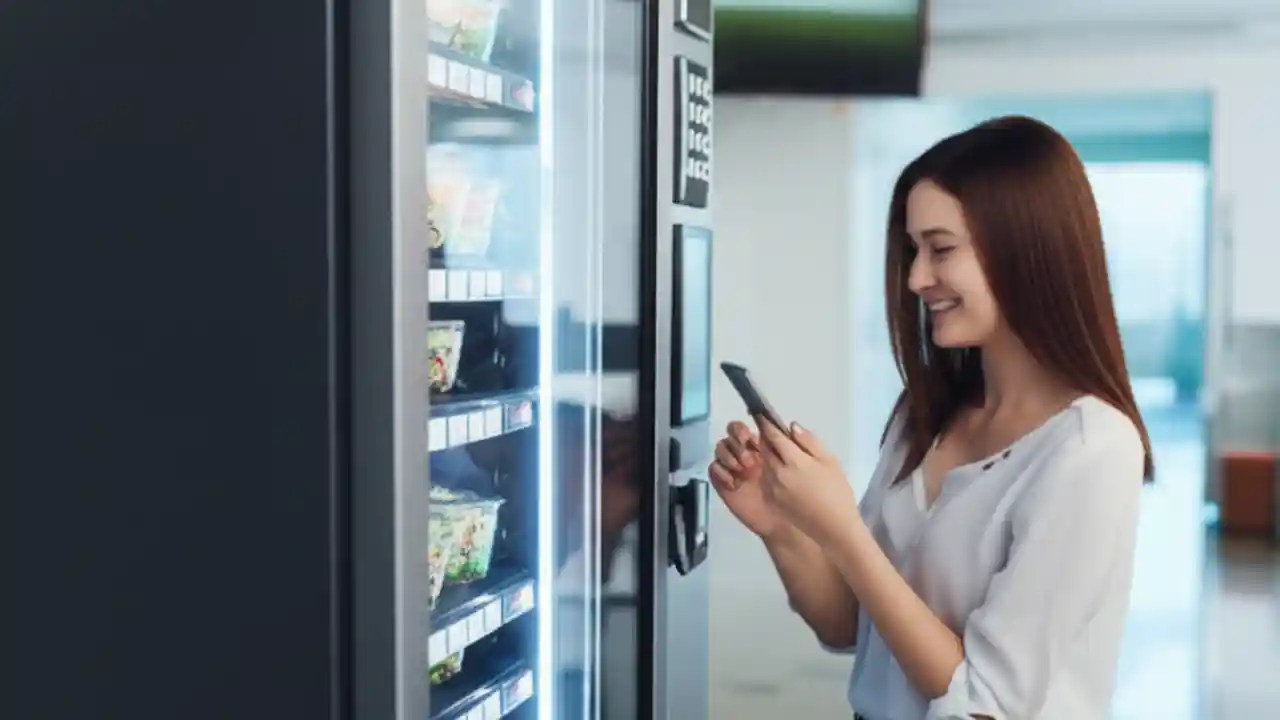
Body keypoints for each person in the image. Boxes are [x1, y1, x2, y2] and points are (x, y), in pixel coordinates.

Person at [709, 116, 1153, 720]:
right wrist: (783, 528)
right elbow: (849, 625)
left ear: (1025, 251)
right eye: (913, 250)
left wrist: (840, 529)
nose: (917, 278)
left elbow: (986, 707)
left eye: (941, 249)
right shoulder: (924, 418)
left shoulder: (1091, 448)